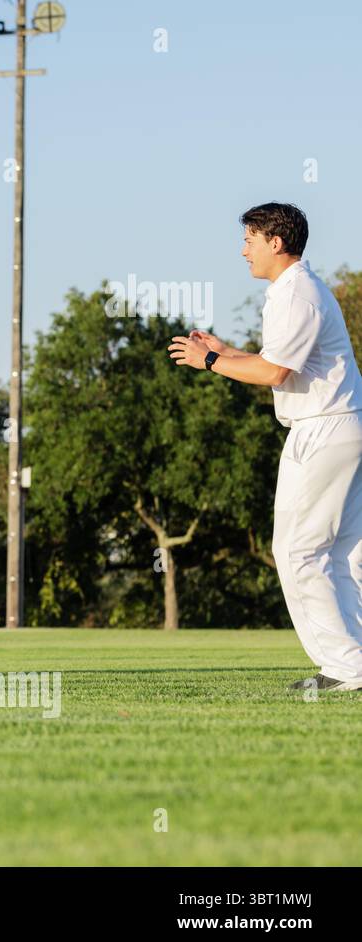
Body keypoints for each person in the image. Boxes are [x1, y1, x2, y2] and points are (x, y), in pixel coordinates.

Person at [169, 202, 362, 691]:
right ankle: (353, 662)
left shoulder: (295, 293)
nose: (243, 250)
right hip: (341, 426)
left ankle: (345, 668)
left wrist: (209, 361)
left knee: (297, 551)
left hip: (322, 429)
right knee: (341, 554)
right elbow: (281, 361)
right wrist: (226, 351)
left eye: (250, 240)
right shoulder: (298, 290)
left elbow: (275, 373)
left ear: (276, 242)